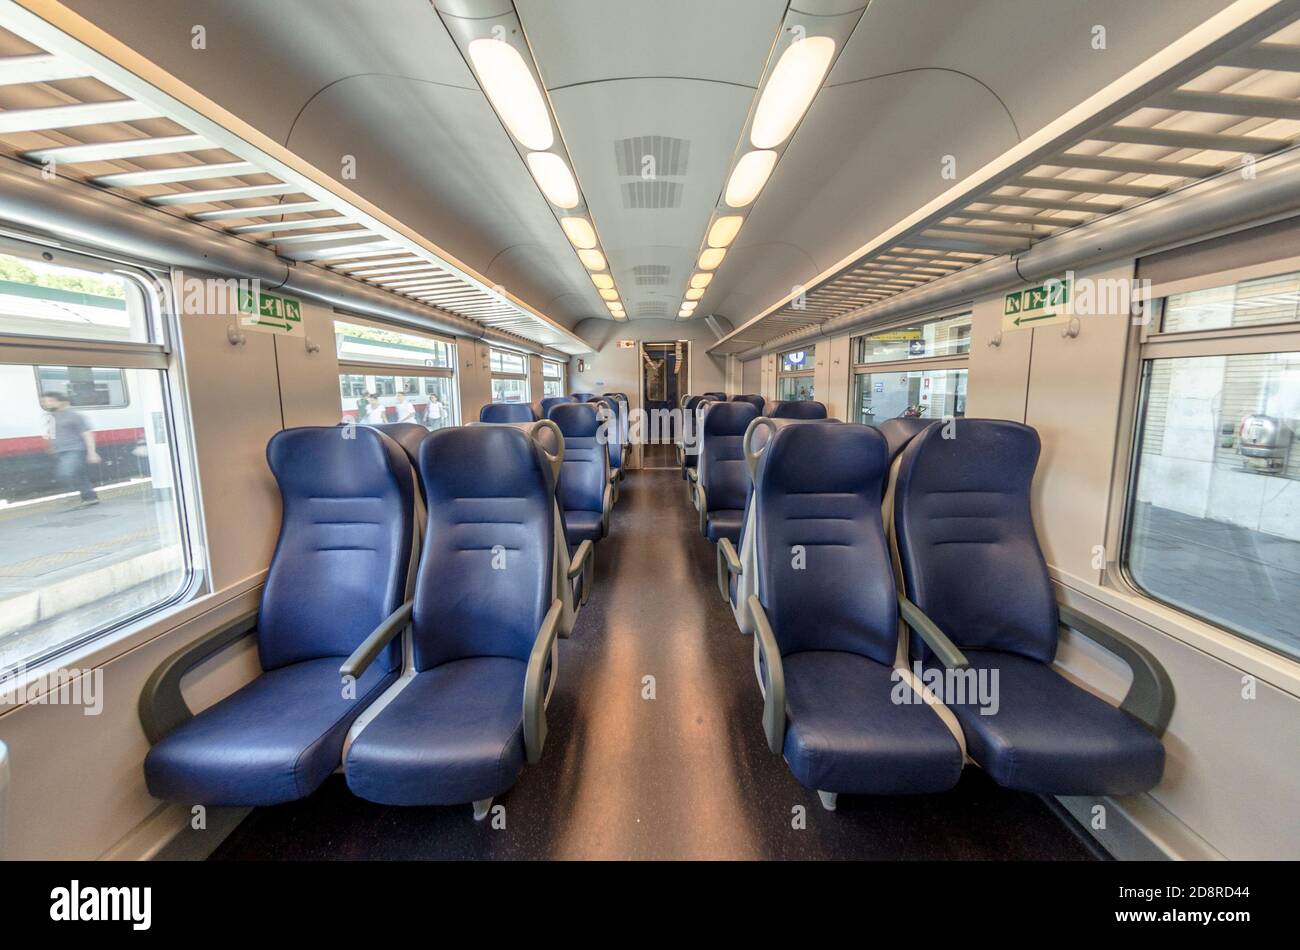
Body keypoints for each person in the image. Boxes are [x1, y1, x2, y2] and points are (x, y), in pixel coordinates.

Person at [41, 391, 100, 507]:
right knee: (79, 474)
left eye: (50, 401)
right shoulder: (51, 417)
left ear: (61, 401)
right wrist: (51, 446)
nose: (47, 404)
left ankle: (70, 495)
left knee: (66, 473)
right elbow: (51, 434)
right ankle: (90, 497)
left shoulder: (75, 415)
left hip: (76, 449)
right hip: (61, 450)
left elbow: (87, 433)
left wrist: (92, 452)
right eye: (45, 401)